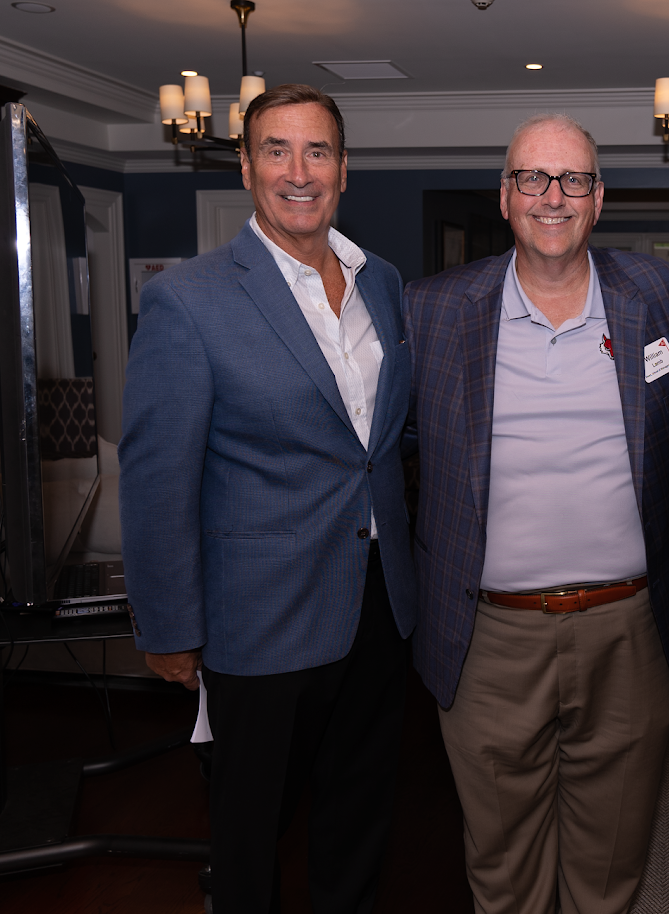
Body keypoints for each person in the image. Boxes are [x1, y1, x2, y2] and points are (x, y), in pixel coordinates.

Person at [119, 84, 416, 913]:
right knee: (250, 835)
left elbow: (374, 446)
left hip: (377, 607)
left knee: (359, 817)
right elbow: (155, 480)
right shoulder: (190, 298)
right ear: (246, 167)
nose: (299, 171)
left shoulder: (381, 282)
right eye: (277, 151)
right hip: (258, 622)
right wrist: (170, 630)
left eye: (317, 151)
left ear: (344, 170)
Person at [403, 113, 669, 914]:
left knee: (612, 864)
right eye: (533, 177)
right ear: (505, 196)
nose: (553, 196)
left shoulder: (665, 294)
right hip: (487, 638)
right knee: (503, 866)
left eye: (573, 180)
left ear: (599, 199)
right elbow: (380, 452)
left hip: (630, 631)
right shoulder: (430, 310)